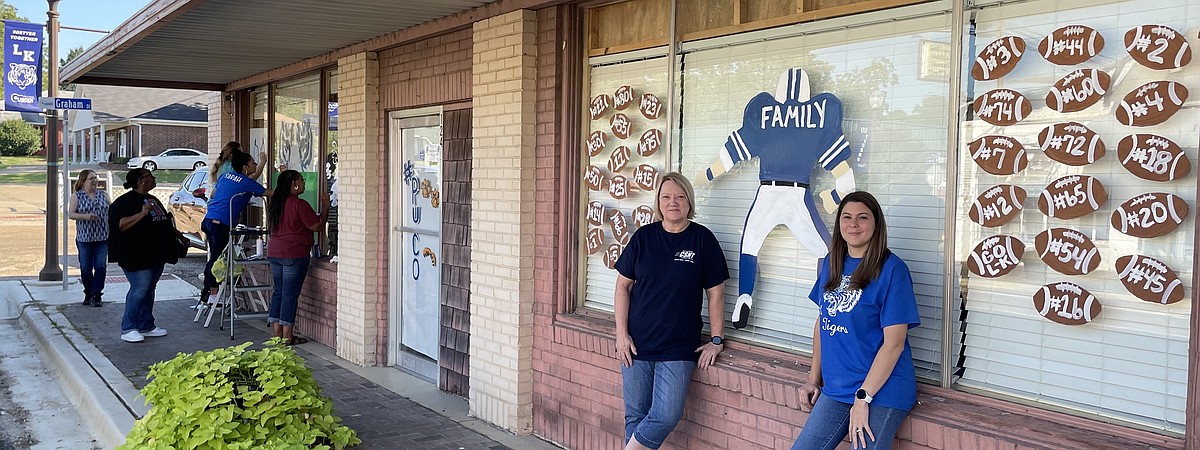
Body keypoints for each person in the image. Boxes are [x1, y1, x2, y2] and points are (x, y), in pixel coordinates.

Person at [791, 191, 921, 450]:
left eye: (863, 217)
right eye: (847, 217)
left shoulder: (893, 270)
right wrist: (813, 378)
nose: (853, 224)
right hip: (838, 388)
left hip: (883, 389)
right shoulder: (832, 263)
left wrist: (863, 398)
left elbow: (894, 344)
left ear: (876, 224)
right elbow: (823, 322)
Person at [613, 172, 729, 450]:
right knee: (635, 416)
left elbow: (716, 293)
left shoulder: (702, 240)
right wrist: (621, 334)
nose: (672, 202)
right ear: (658, 202)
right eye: (666, 197)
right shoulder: (643, 238)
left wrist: (716, 339)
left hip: (678, 346)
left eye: (679, 197)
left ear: (689, 202)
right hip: (637, 343)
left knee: (665, 415)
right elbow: (622, 287)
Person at [108, 169, 183, 343]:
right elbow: (119, 225)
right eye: (150, 176)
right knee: (140, 288)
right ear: (141, 180)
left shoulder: (153, 199)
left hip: (155, 254)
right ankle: (128, 327)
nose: (154, 178)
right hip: (134, 255)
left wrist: (180, 236)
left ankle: (146, 324)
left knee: (149, 289)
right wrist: (142, 214)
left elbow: (163, 221)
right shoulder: (124, 202)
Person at [265, 170, 328, 345]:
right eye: (301, 180)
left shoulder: (276, 204)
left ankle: (276, 334)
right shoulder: (299, 204)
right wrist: (326, 207)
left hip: (275, 252)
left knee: (279, 292)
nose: (304, 183)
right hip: (294, 253)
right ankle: (287, 336)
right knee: (289, 295)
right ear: (294, 184)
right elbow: (316, 226)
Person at [201, 151, 272, 304]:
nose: (255, 165)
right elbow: (270, 193)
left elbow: (213, 194)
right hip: (221, 223)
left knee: (214, 257)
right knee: (217, 259)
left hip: (209, 219)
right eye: (253, 163)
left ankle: (207, 291)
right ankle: (212, 293)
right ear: (245, 167)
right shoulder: (245, 182)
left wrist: (262, 163)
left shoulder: (226, 176)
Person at [67, 169, 109, 307]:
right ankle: (88, 292)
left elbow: (112, 211)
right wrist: (86, 216)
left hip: (102, 237)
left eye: (96, 178)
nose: (95, 181)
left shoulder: (104, 194)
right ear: (83, 181)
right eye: (92, 179)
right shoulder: (77, 196)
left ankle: (97, 294)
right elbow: (71, 214)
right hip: (84, 238)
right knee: (85, 268)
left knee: (100, 267)